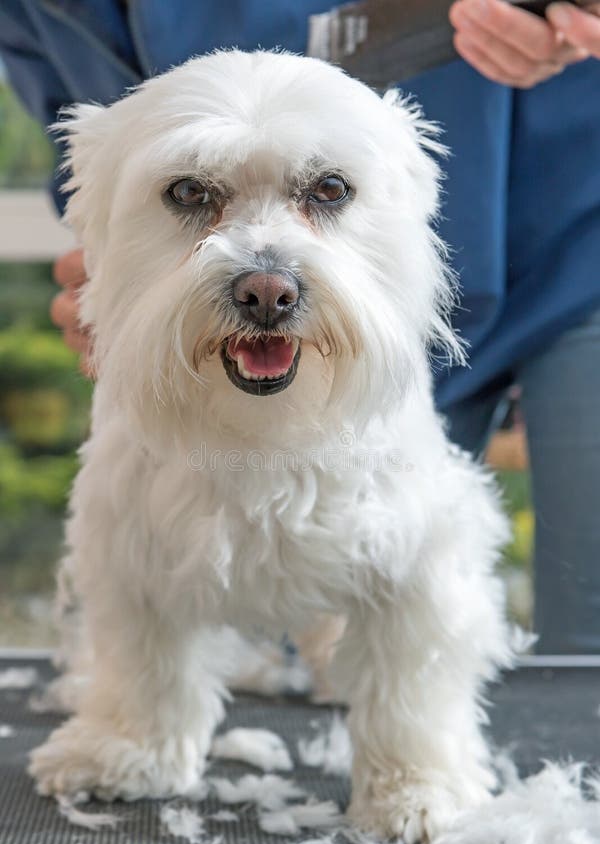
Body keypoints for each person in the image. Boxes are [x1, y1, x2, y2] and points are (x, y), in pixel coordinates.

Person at [1, 0, 599, 652]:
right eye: (193, 194)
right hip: (273, 331)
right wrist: (122, 278)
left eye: (328, 190)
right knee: (299, 644)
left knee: (581, 642)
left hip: (578, 233)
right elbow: (94, 152)